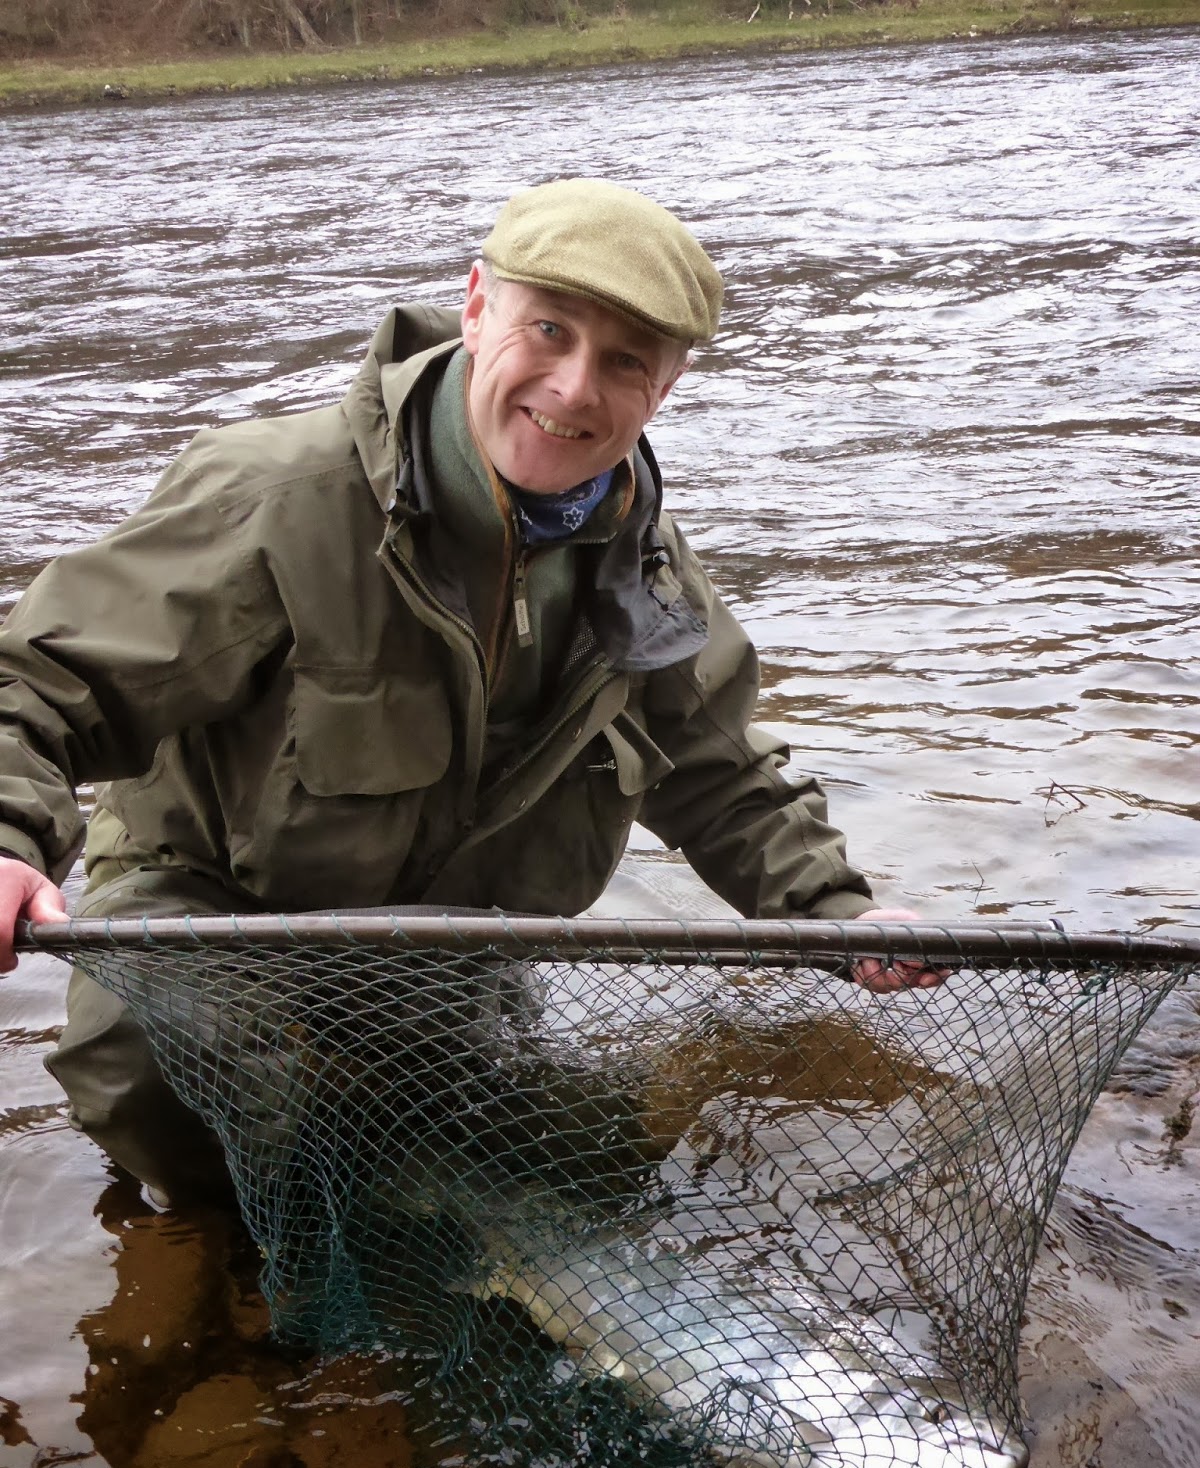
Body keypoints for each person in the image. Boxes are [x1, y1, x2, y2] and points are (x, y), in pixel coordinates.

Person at [0, 178, 942, 1207]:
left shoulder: (645, 566)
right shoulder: (277, 502)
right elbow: (39, 679)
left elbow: (717, 770)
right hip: (218, 895)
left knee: (569, 1162)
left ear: (663, 389)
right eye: (550, 328)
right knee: (160, 1067)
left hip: (440, 944)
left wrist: (836, 911)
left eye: (625, 360)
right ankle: (227, 1245)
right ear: (477, 307)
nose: (577, 388)